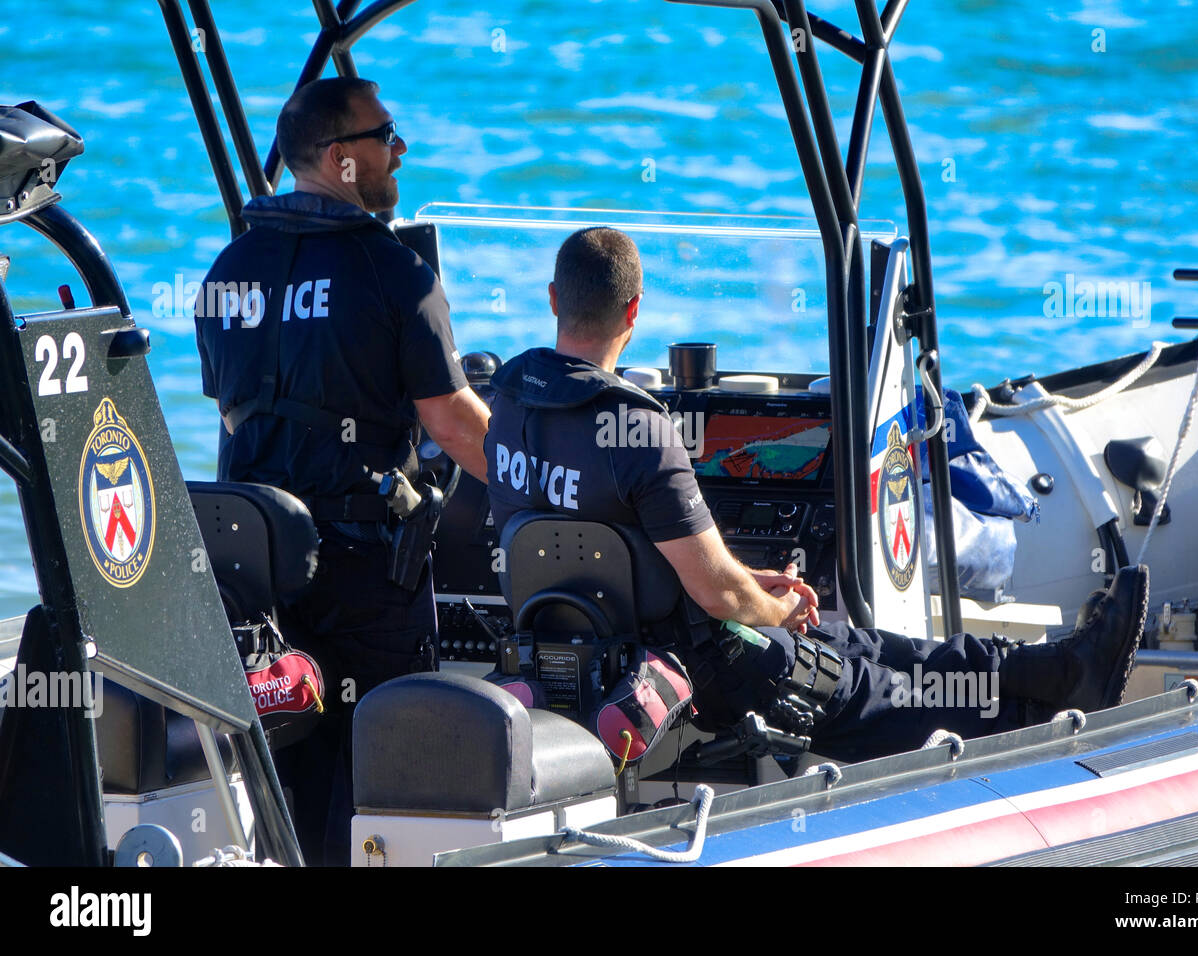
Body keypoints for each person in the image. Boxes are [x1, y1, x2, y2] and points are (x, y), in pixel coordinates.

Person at [483, 226, 1147, 764]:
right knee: (863, 682)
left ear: (552, 298)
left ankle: (1050, 666)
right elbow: (718, 596)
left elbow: (646, 555)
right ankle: (1055, 694)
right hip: (702, 669)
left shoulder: (509, 403)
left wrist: (754, 589)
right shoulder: (639, 428)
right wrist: (763, 607)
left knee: (853, 638)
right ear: (634, 310)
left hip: (585, 649)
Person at [195, 77, 490, 864]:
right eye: (386, 134)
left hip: (256, 574)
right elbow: (456, 427)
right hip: (365, 576)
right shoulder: (397, 275)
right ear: (340, 159)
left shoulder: (225, 272)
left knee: (287, 756)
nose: (401, 149)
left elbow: (236, 414)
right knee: (375, 772)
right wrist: (551, 472)